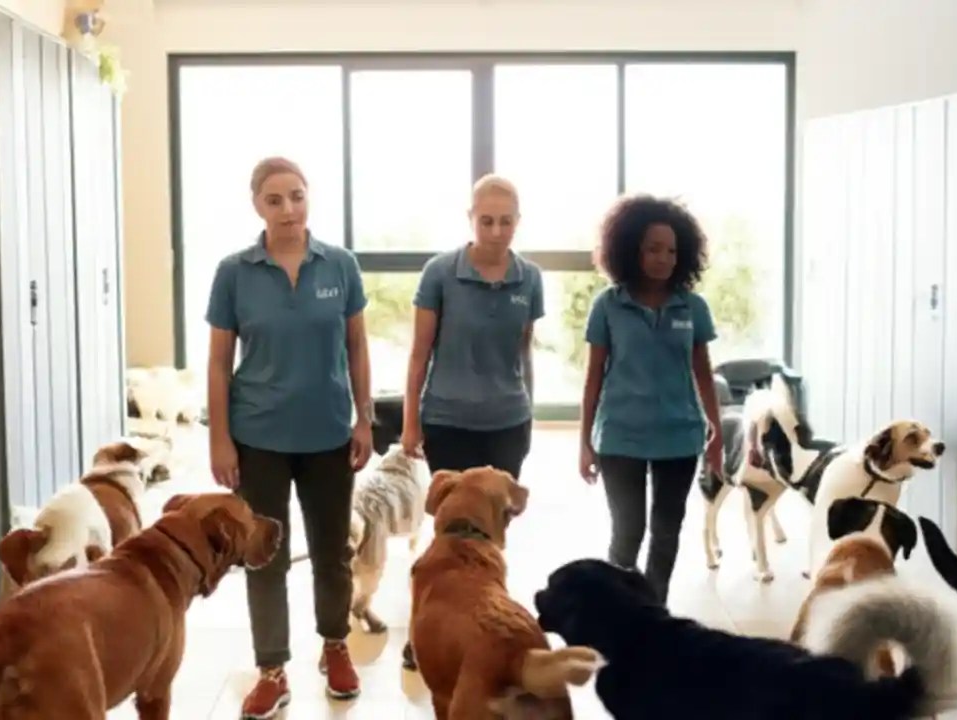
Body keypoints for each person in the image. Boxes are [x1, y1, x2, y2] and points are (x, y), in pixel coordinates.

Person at [205, 156, 373, 716]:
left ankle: (335, 646)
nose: (288, 209)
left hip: (328, 433)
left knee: (332, 552)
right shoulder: (235, 271)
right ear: (257, 205)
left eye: (296, 196)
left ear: (309, 199)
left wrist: (365, 418)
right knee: (264, 557)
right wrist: (220, 440)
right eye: (274, 200)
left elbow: (357, 347)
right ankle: (272, 668)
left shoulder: (340, 265)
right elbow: (218, 362)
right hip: (258, 438)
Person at [577, 193, 724, 605]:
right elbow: (592, 378)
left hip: (680, 437)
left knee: (666, 531)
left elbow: (703, 372)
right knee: (627, 533)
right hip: (620, 436)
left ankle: (654, 612)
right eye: (653, 248)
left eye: (672, 251)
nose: (663, 258)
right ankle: (616, 611)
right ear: (631, 250)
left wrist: (715, 433)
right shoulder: (608, 305)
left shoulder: (692, 307)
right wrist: (584, 441)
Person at [400, 173, 544, 480]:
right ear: (471, 218)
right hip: (447, 421)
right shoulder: (439, 273)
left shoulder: (530, 278)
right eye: (486, 221)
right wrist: (410, 423)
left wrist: (528, 413)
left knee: (494, 523)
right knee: (454, 520)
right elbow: (418, 355)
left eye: (506, 222)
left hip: (508, 422)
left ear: (518, 220)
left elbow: (524, 352)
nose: (496, 232)